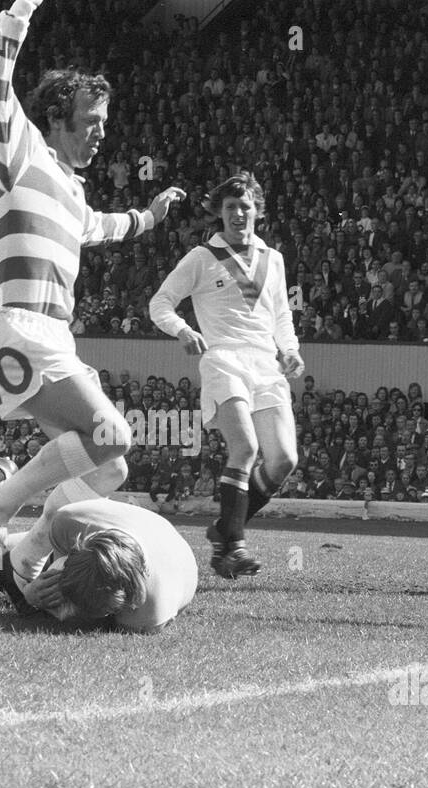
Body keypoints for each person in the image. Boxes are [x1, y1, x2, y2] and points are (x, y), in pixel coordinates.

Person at [0, 0, 186, 577]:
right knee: (111, 434)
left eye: (105, 123)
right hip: (17, 328)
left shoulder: (72, 191)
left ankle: (17, 557)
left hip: (54, 339)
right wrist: (20, 11)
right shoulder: (23, 152)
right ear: (57, 117)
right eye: (92, 121)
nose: (101, 134)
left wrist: (152, 217)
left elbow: (105, 227)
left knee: (108, 470)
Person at [149, 171, 303, 577]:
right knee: (246, 448)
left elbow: (281, 316)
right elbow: (160, 303)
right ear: (220, 212)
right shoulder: (201, 257)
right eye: (230, 207)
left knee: (284, 460)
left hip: (265, 364)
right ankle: (232, 548)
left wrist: (290, 350)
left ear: (257, 211)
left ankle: (223, 528)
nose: (238, 214)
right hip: (223, 360)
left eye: (245, 207)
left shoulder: (274, 260)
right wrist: (183, 330)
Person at [0, 444, 197, 631]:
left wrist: (44, 605)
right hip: (107, 528)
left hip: (145, 549)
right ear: (79, 547)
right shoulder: (71, 521)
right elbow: (39, 567)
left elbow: (89, 616)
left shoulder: (144, 615)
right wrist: (27, 594)